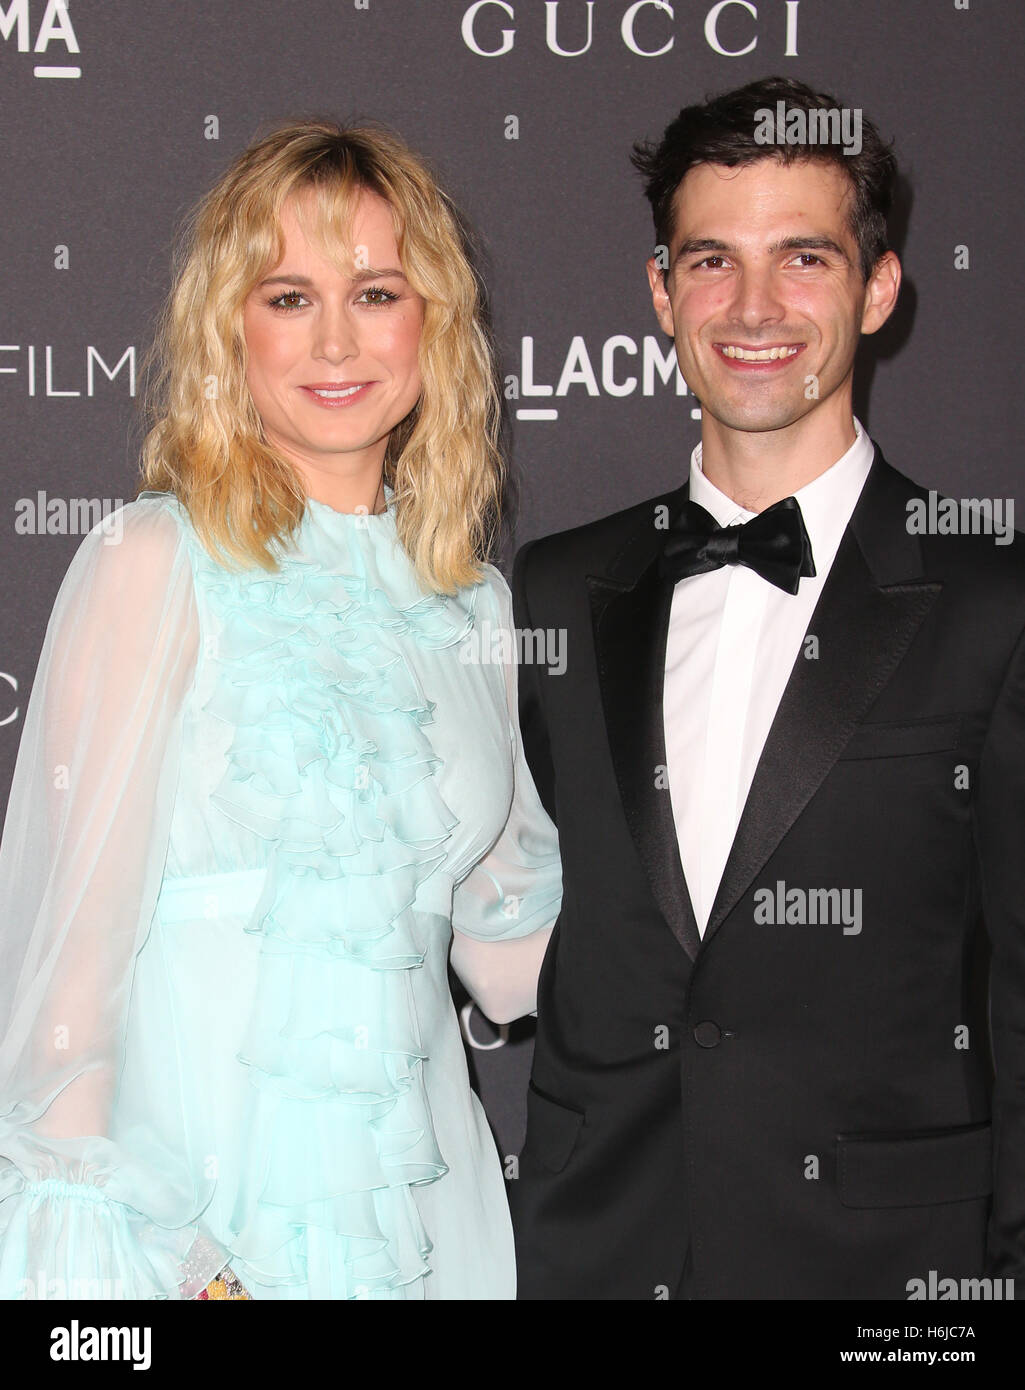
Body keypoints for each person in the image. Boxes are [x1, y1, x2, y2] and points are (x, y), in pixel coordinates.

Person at [0, 119, 560, 1301]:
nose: (338, 340)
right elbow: (67, 979)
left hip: (425, 1219)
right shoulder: (152, 562)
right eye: (289, 296)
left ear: (432, 324)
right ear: (229, 330)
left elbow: (511, 957)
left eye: (375, 291)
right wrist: (141, 1255)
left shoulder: (473, 606)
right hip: (193, 1230)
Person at [507, 76, 1025, 1299]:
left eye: (801, 258)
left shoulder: (994, 599)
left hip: (891, 1277)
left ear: (877, 287)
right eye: (708, 262)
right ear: (658, 291)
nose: (750, 309)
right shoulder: (553, 590)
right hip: (600, 1248)